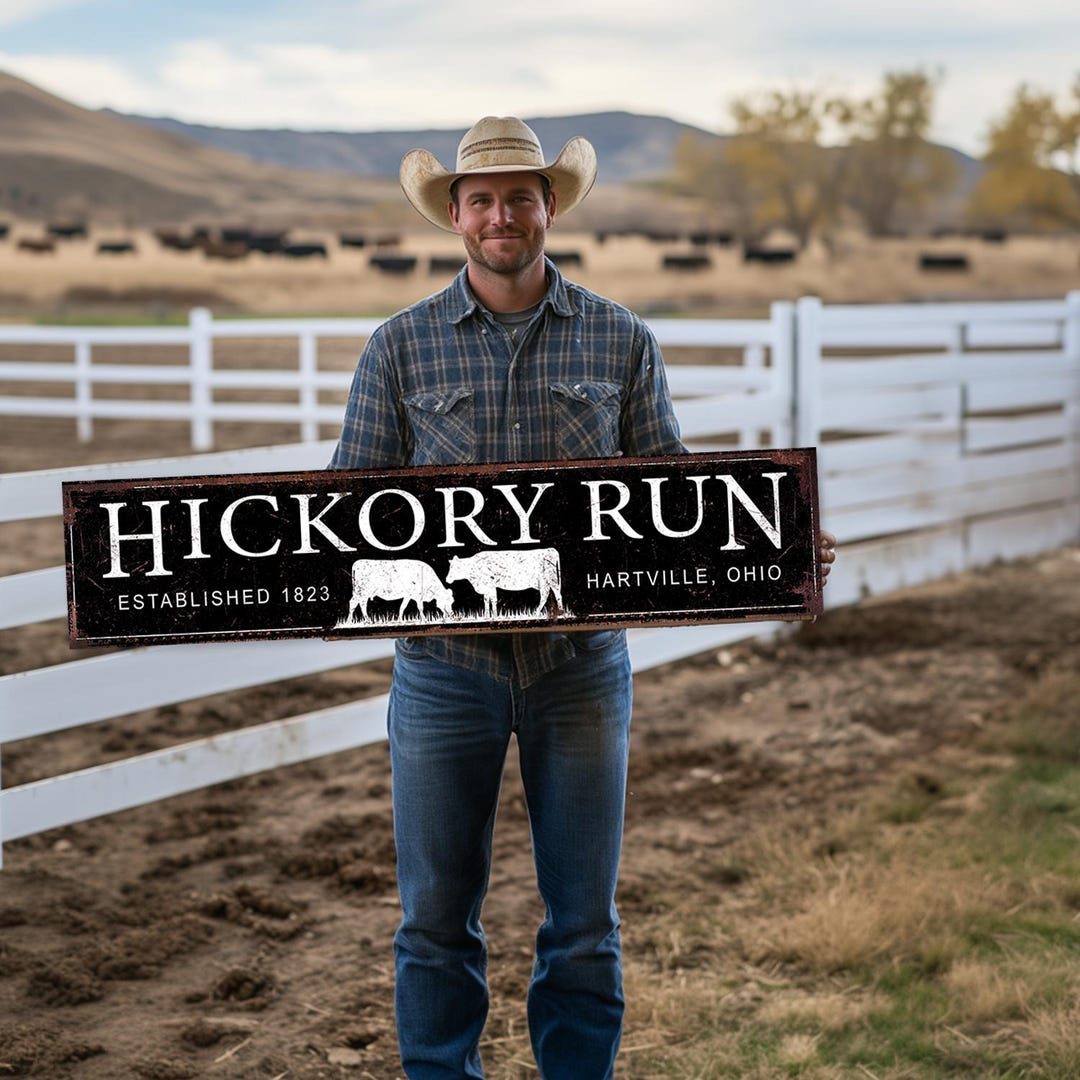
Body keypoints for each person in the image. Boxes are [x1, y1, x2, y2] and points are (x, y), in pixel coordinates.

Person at [329, 116, 836, 1079]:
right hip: (444, 672)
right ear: (455, 216)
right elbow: (341, 507)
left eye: (520, 198)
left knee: (584, 921)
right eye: (482, 200)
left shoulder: (619, 337)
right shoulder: (398, 348)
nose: (501, 216)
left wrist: (780, 538)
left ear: (550, 206)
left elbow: (673, 490)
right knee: (433, 918)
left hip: (581, 667)